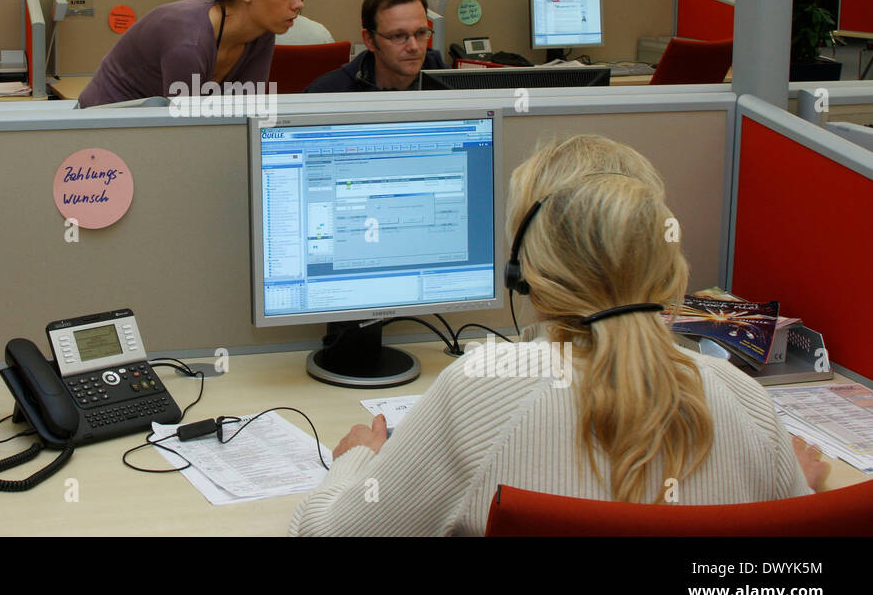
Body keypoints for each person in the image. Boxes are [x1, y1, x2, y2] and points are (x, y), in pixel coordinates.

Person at [290, 134, 818, 536]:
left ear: (526, 271)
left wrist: (356, 460)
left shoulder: (482, 389)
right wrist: (797, 495)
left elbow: (328, 534)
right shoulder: (740, 396)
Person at [77, 0, 306, 107]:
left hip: (154, 127)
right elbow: (186, 133)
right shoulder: (189, 41)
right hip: (103, 124)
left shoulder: (260, 33)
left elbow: (245, 112)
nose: (299, 3)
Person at [304, 0, 446, 93]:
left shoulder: (449, 84)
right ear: (369, 40)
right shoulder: (329, 93)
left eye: (421, 33)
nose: (414, 47)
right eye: (398, 36)